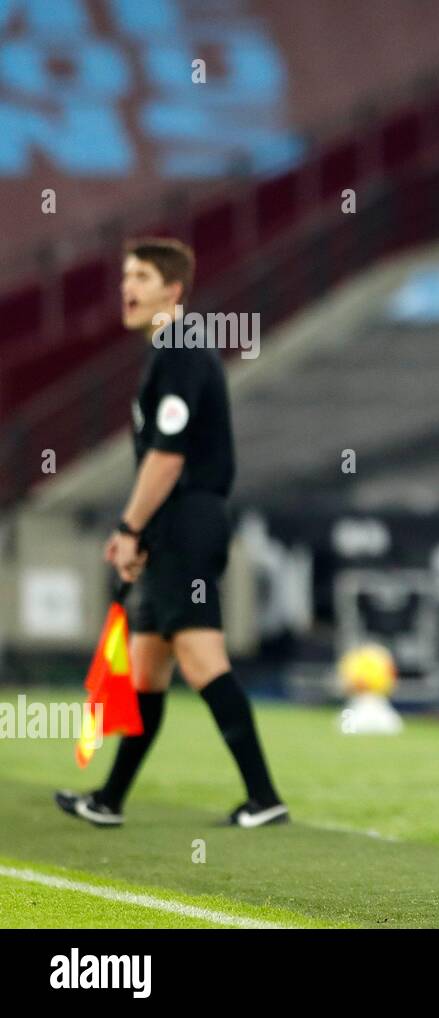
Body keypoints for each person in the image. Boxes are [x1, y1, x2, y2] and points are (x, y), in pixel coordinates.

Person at [56, 238, 288, 829]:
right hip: (172, 525)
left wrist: (128, 527)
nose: (126, 288)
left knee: (200, 654)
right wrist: (137, 532)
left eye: (140, 276)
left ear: (174, 290)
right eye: (124, 276)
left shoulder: (181, 348)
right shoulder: (169, 351)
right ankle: (109, 800)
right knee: (145, 668)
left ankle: (264, 798)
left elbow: (167, 457)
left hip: (187, 523)